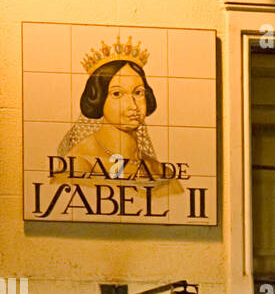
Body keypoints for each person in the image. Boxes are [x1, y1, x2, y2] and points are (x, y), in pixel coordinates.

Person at [52, 41, 182, 196]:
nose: (132, 105)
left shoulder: (159, 171)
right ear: (98, 99)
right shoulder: (78, 165)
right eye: (117, 94)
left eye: (138, 93)